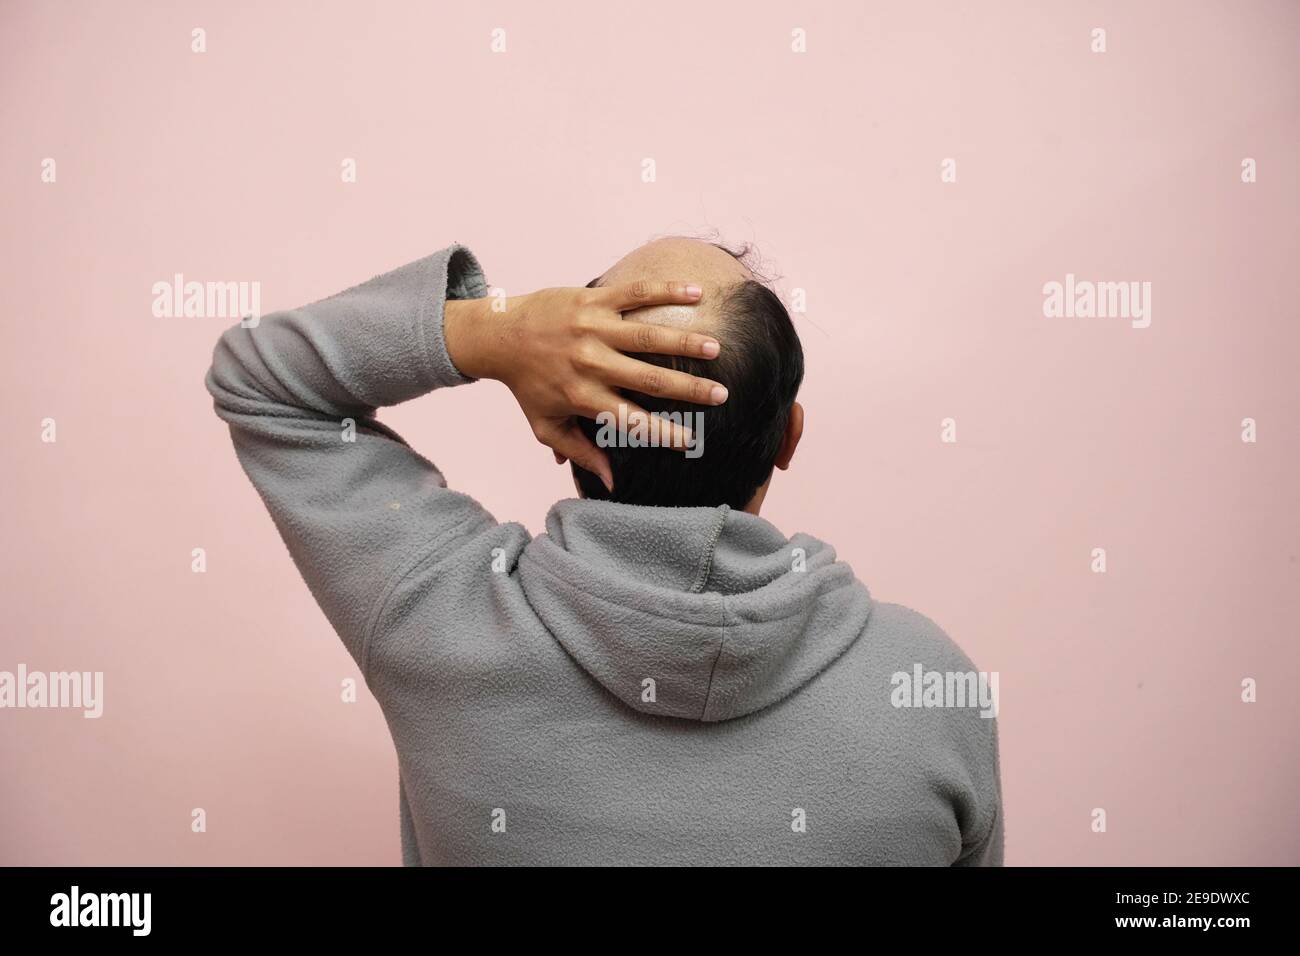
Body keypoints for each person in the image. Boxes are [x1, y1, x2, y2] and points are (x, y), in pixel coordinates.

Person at [206, 237, 1003, 865]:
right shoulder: (929, 687)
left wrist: (492, 333)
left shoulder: (438, 615)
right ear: (789, 438)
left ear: (566, 431)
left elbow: (258, 377)